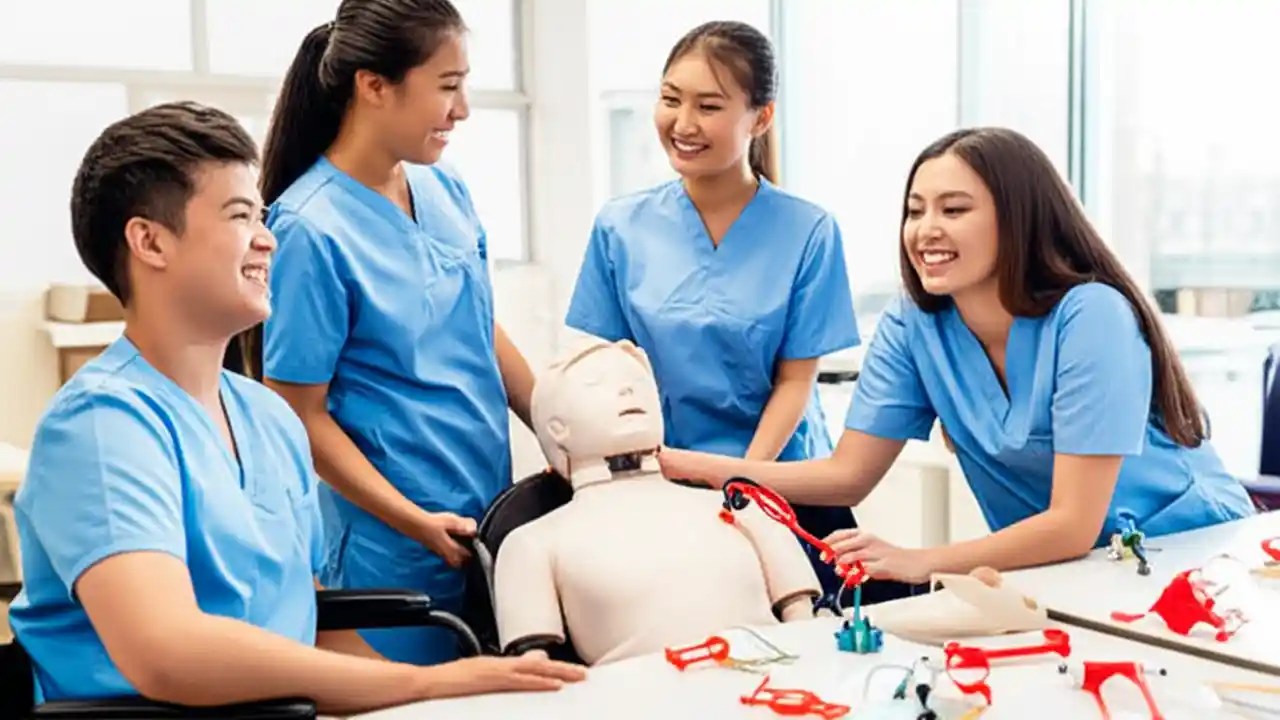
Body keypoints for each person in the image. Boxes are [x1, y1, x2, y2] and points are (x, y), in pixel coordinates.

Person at [6, 102, 583, 716]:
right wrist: (423, 684)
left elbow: (310, 625)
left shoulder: (267, 418)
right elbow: (166, 654)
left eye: (260, 214)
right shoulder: (102, 426)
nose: (267, 236)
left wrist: (431, 705)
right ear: (149, 241)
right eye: (238, 216)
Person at [658, 127, 1257, 583]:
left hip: (1194, 554)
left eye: (954, 209)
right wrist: (689, 466)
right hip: (1067, 576)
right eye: (915, 211)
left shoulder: (1090, 315)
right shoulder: (914, 324)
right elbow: (846, 477)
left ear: (1017, 218)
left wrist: (922, 563)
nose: (925, 230)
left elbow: (1073, 523)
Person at [231, 0, 537, 666]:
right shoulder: (309, 229)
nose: (462, 109)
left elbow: (479, 327)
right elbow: (297, 414)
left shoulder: (446, 191)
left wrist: (565, 427)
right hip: (390, 543)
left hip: (486, 520)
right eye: (447, 87)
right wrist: (412, 521)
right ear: (374, 86)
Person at [563, 21, 902, 602]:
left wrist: (743, 481)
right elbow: (606, 367)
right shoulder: (620, 227)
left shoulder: (808, 230)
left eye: (709, 106)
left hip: (781, 484)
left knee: (812, 641)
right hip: (661, 488)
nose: (683, 123)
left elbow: (796, 382)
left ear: (760, 118)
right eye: (670, 100)